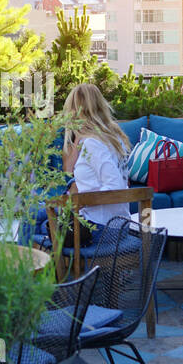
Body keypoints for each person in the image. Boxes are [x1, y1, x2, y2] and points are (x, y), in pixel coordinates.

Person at [58, 83, 133, 246]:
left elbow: (115, 186)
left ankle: (46, 270)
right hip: (116, 224)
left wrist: (81, 201)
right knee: (42, 218)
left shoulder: (94, 143)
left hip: (101, 228)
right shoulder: (113, 138)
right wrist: (78, 137)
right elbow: (69, 171)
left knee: (35, 222)